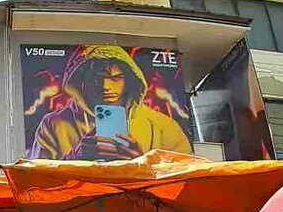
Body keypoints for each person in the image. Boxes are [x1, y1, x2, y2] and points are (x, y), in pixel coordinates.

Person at [28, 44, 192, 161]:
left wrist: (140, 162)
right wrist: (75, 158)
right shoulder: (53, 124)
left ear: (129, 80)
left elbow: (184, 179)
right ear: (82, 81)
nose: (106, 86)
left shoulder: (162, 126)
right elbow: (37, 182)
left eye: (116, 78)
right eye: (97, 78)